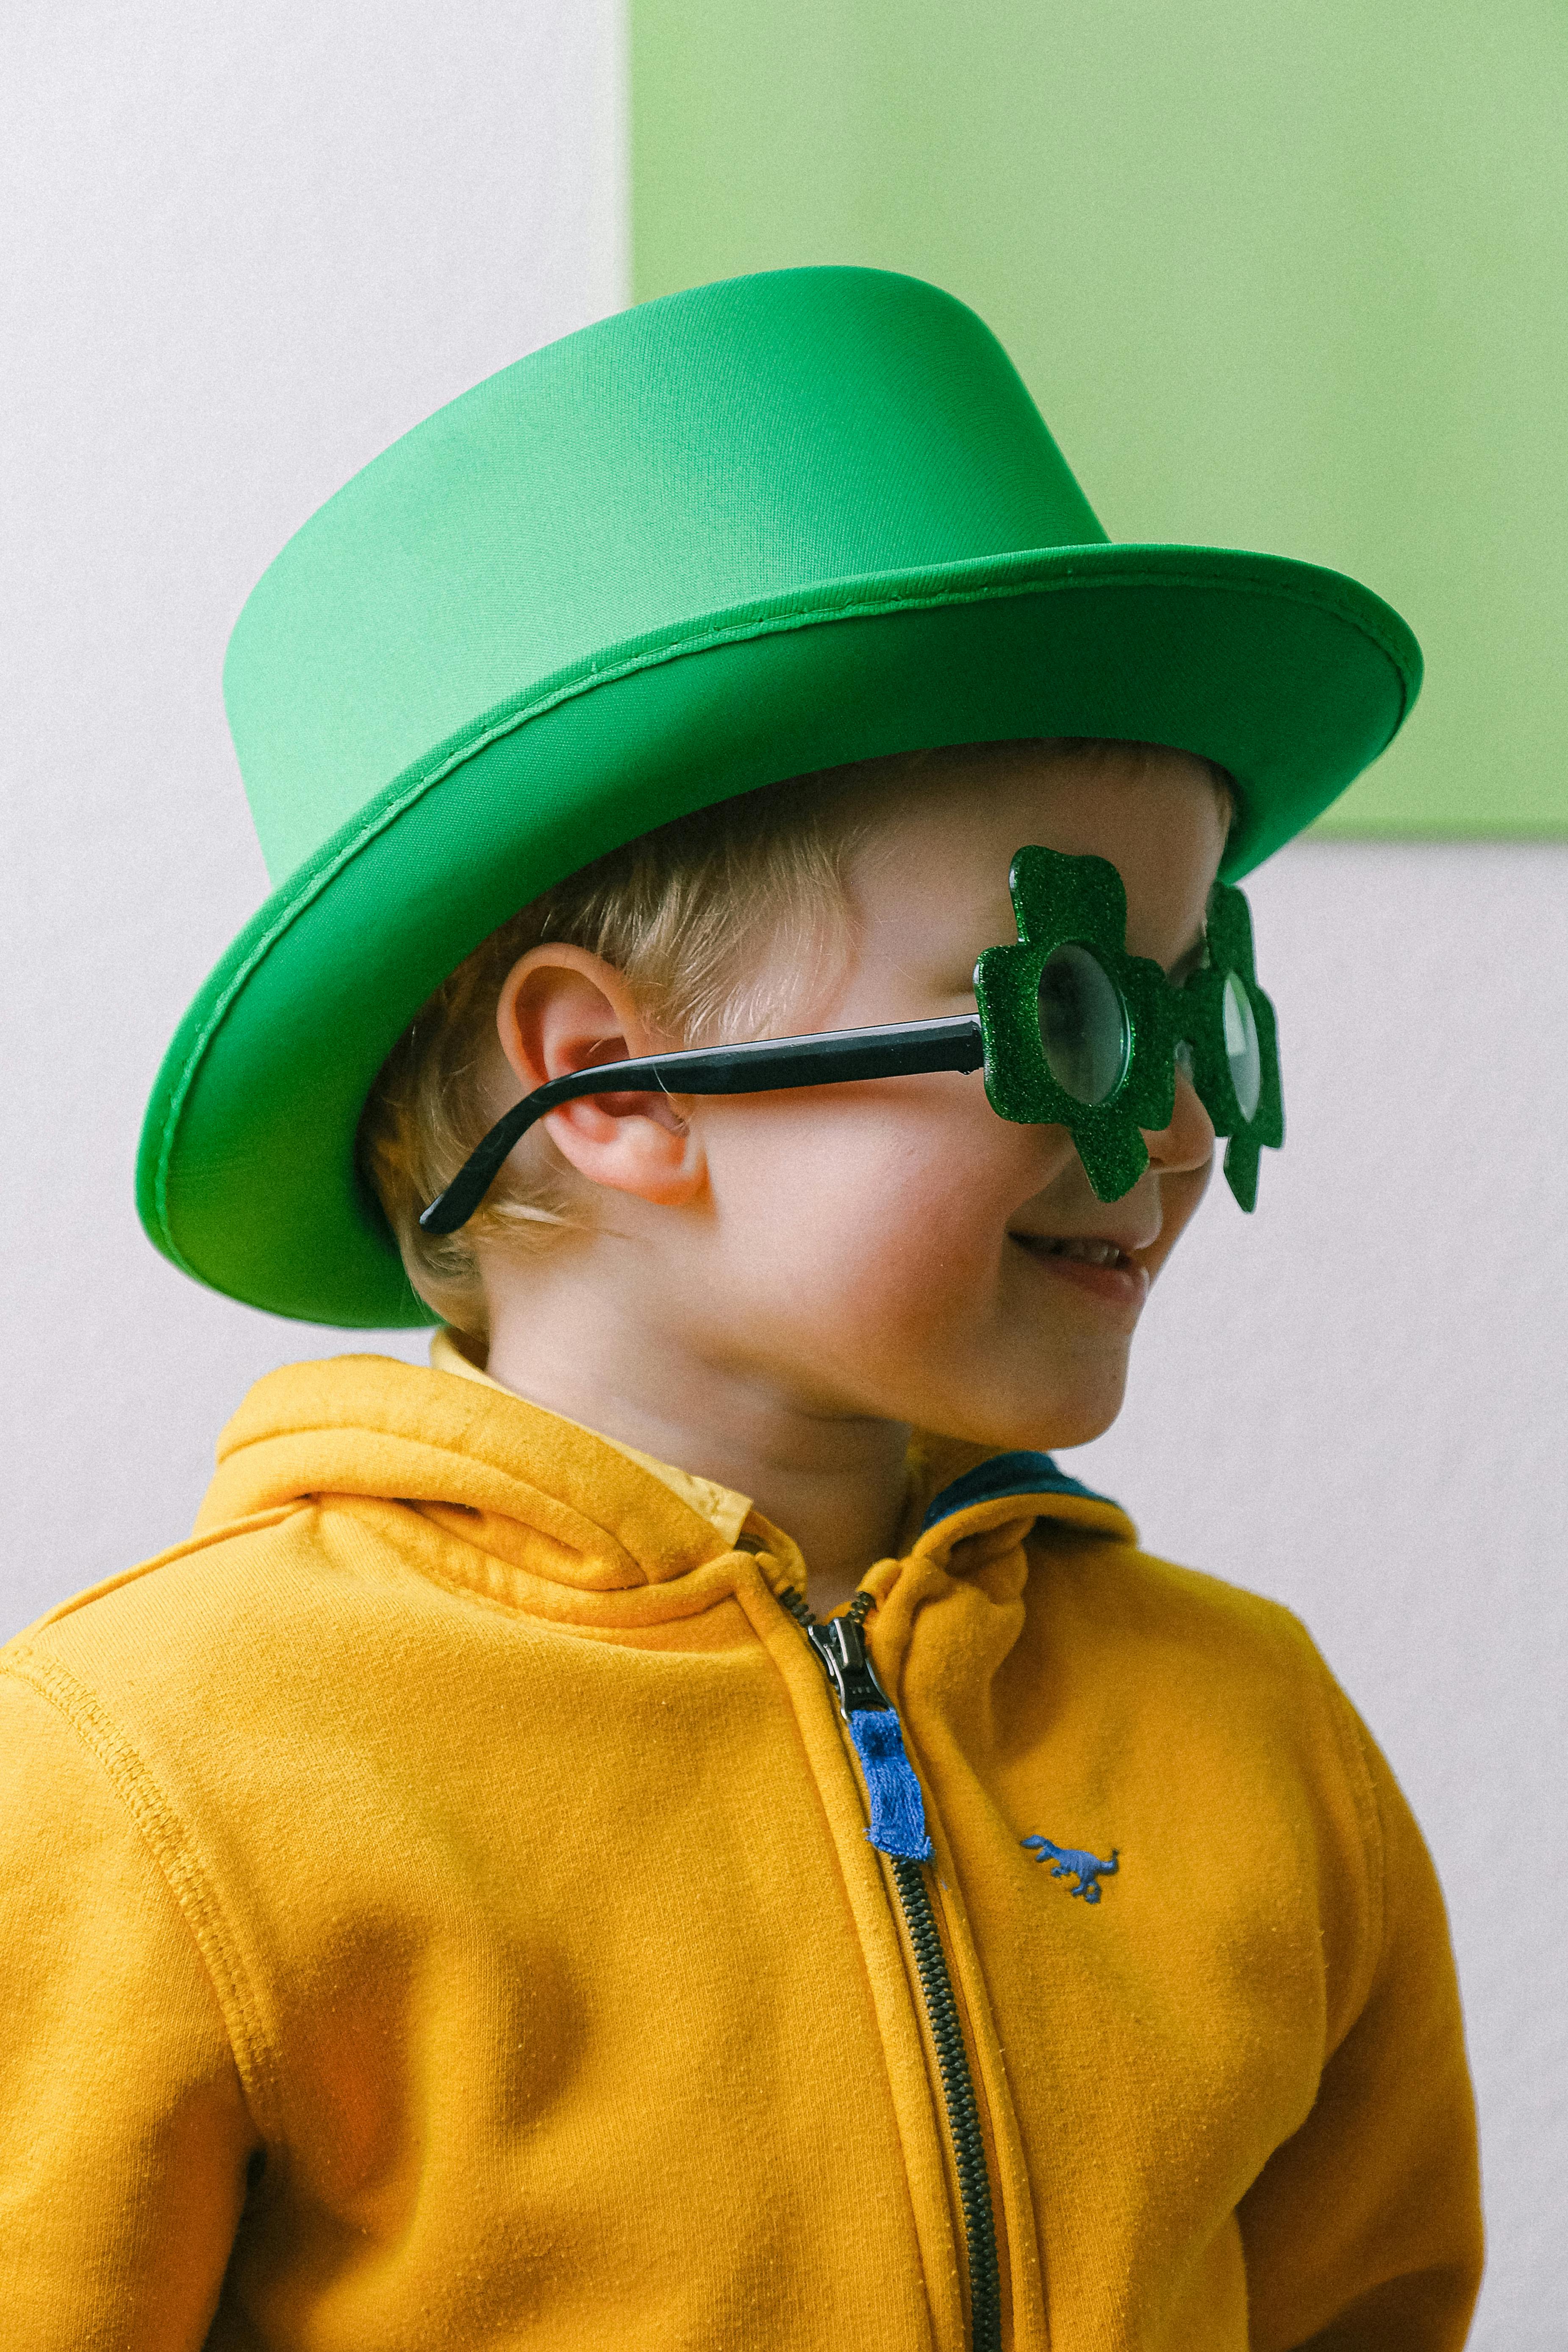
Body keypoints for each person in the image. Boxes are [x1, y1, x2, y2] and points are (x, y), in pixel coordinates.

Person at [0, 267, 1481, 2349]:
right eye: (1061, 999)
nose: (1160, 1130)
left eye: (1195, 1006)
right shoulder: (157, 1771)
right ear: (604, 1082)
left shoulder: (1250, 1742)